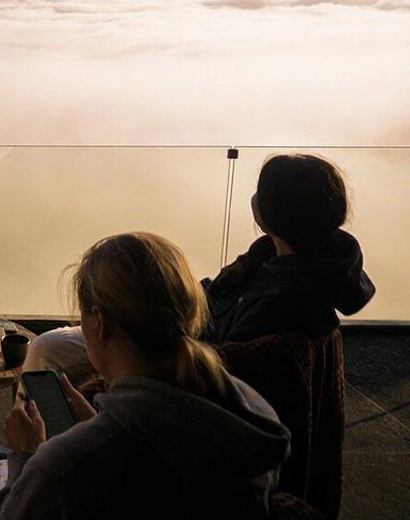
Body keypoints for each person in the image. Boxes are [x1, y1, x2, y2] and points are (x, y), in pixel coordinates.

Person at [0, 233, 291, 519]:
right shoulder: (252, 413)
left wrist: (25, 457)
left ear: (101, 323)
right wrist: (99, 424)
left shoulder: (65, 468)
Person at [23, 153, 375, 378]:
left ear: (273, 212)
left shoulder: (285, 296)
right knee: (51, 344)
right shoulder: (279, 262)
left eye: (260, 193)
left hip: (168, 350)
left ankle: (37, 463)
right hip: (174, 334)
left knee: (46, 350)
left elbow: (219, 363)